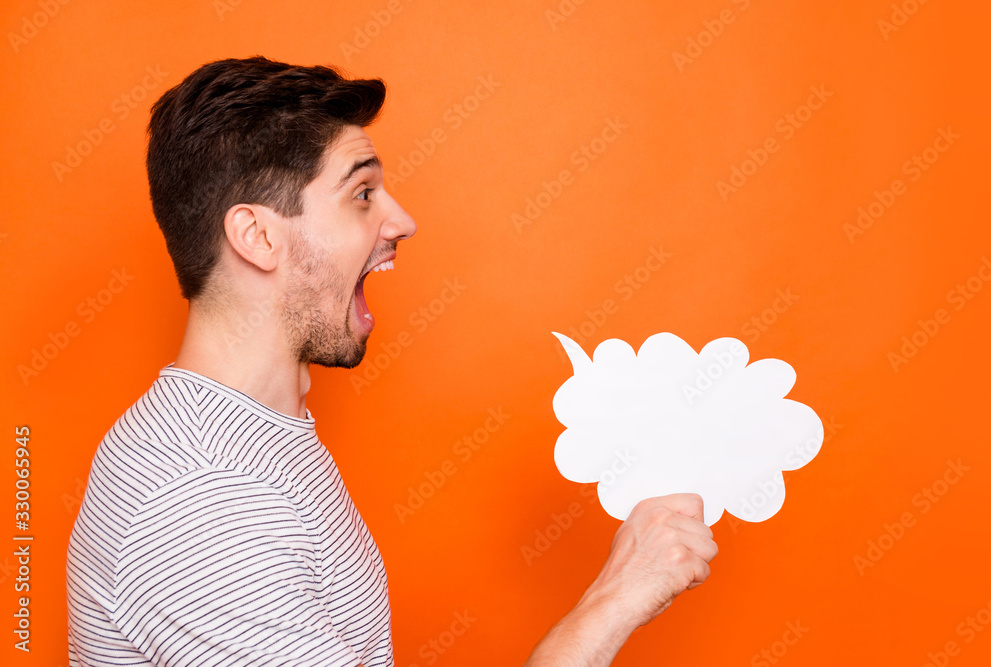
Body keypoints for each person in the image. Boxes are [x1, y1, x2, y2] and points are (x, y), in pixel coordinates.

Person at [66, 56, 718, 667]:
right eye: (361, 193)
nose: (402, 220)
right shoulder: (201, 505)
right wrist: (617, 598)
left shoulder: (251, 439)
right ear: (258, 236)